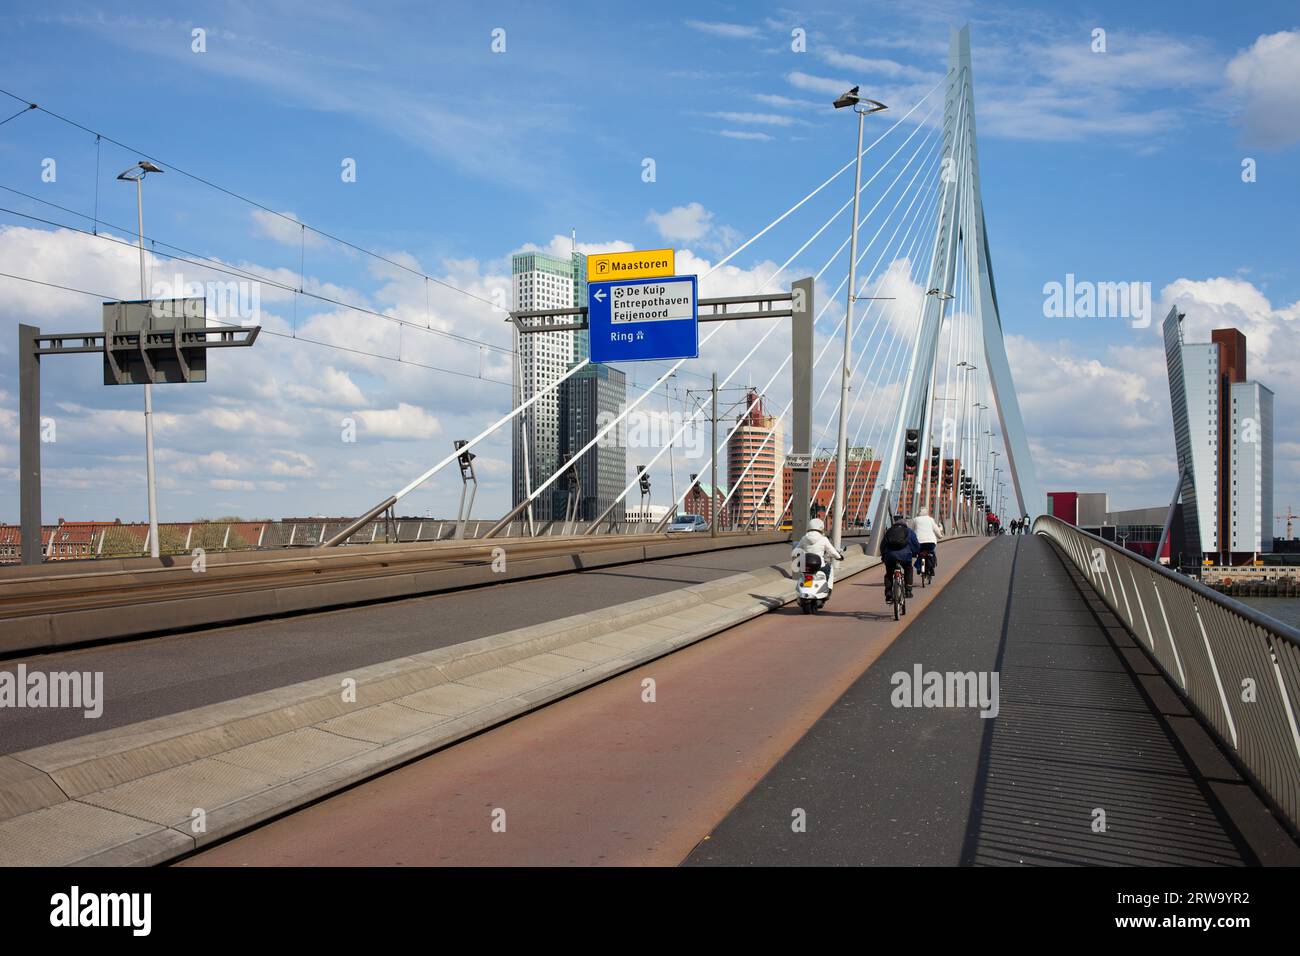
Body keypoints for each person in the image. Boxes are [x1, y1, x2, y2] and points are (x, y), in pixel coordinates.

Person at [791, 517, 844, 588]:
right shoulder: (823, 539)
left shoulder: (804, 538)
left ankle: (804, 586)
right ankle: (828, 588)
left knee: (802, 576)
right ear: (821, 528)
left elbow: (797, 549)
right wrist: (839, 557)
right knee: (830, 568)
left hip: (805, 565)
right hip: (819, 565)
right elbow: (832, 551)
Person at [880, 513, 919, 601]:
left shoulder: (889, 531)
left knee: (889, 573)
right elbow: (915, 544)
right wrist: (915, 553)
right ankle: (908, 590)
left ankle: (889, 593)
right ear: (905, 523)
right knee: (908, 569)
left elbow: (882, 545)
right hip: (905, 556)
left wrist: (883, 556)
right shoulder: (909, 531)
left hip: (890, 556)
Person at [911, 507, 943, 576]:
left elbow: (912, 531)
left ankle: (919, 567)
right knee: (931, 553)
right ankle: (931, 568)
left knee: (919, 553)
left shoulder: (915, 519)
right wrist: (940, 536)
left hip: (919, 542)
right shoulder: (930, 519)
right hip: (930, 542)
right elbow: (936, 530)